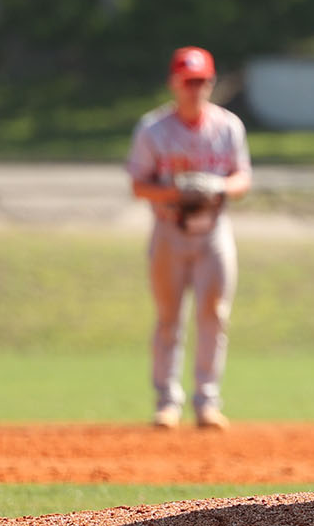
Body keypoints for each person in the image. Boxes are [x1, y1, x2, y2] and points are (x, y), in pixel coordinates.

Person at [127, 46, 252, 430]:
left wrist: (216, 187)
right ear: (174, 83)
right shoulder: (154, 130)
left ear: (210, 83)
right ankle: (167, 402)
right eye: (188, 81)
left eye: (201, 81)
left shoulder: (228, 126)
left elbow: (243, 179)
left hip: (213, 232)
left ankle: (206, 402)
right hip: (169, 231)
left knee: (214, 314)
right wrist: (177, 192)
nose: (194, 89)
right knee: (169, 318)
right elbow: (138, 185)